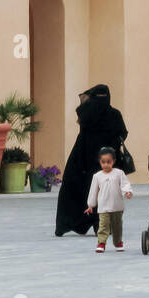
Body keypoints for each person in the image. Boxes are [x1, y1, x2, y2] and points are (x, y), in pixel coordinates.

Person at [55, 83, 128, 236]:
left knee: (75, 190)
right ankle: (99, 225)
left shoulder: (85, 112)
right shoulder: (114, 114)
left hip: (82, 158)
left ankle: (65, 224)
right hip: (105, 160)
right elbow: (123, 133)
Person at [85, 147, 133, 253]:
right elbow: (93, 191)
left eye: (108, 162)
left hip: (117, 206)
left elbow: (125, 184)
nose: (106, 164)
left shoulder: (119, 173)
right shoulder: (97, 176)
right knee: (103, 225)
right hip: (103, 207)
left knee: (117, 226)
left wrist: (127, 192)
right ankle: (101, 243)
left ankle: (118, 242)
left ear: (113, 161)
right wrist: (91, 205)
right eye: (103, 162)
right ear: (99, 162)